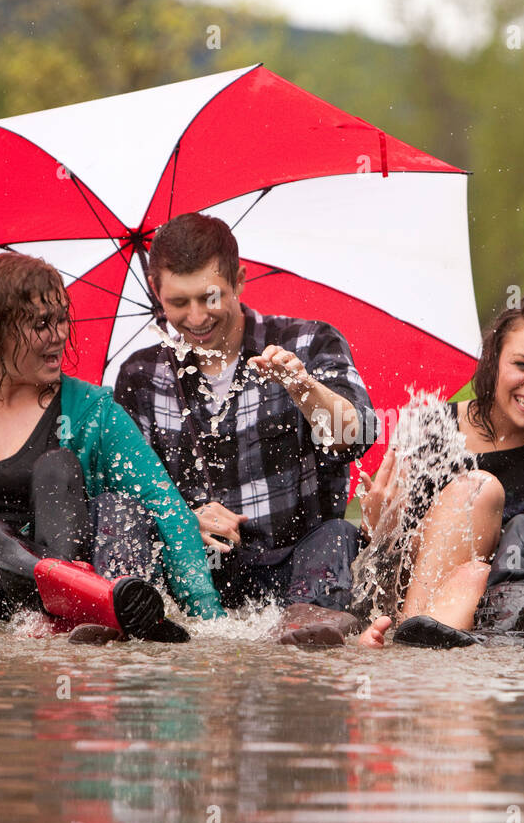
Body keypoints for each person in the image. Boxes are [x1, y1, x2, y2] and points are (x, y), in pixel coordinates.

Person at [0, 251, 224, 643]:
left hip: (49, 612)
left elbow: (168, 510)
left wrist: (212, 625)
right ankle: (96, 602)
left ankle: (74, 613)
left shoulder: (91, 411)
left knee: (60, 467)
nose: (58, 335)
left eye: (61, 318)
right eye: (41, 324)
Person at [114, 212, 377, 642]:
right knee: (118, 512)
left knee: (337, 535)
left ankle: (301, 640)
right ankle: (128, 624)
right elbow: (130, 491)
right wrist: (185, 520)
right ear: (157, 295)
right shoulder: (141, 373)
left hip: (298, 564)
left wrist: (302, 387)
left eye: (210, 297)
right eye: (179, 303)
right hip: (194, 571)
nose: (196, 317)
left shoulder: (309, 342)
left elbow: (359, 436)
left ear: (239, 280)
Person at [354, 292, 524, 648]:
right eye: (523, 365)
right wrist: (380, 528)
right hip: (445, 597)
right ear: (494, 361)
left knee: (479, 562)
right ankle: (416, 634)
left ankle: (412, 647)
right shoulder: (431, 428)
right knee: (476, 502)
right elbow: (395, 567)